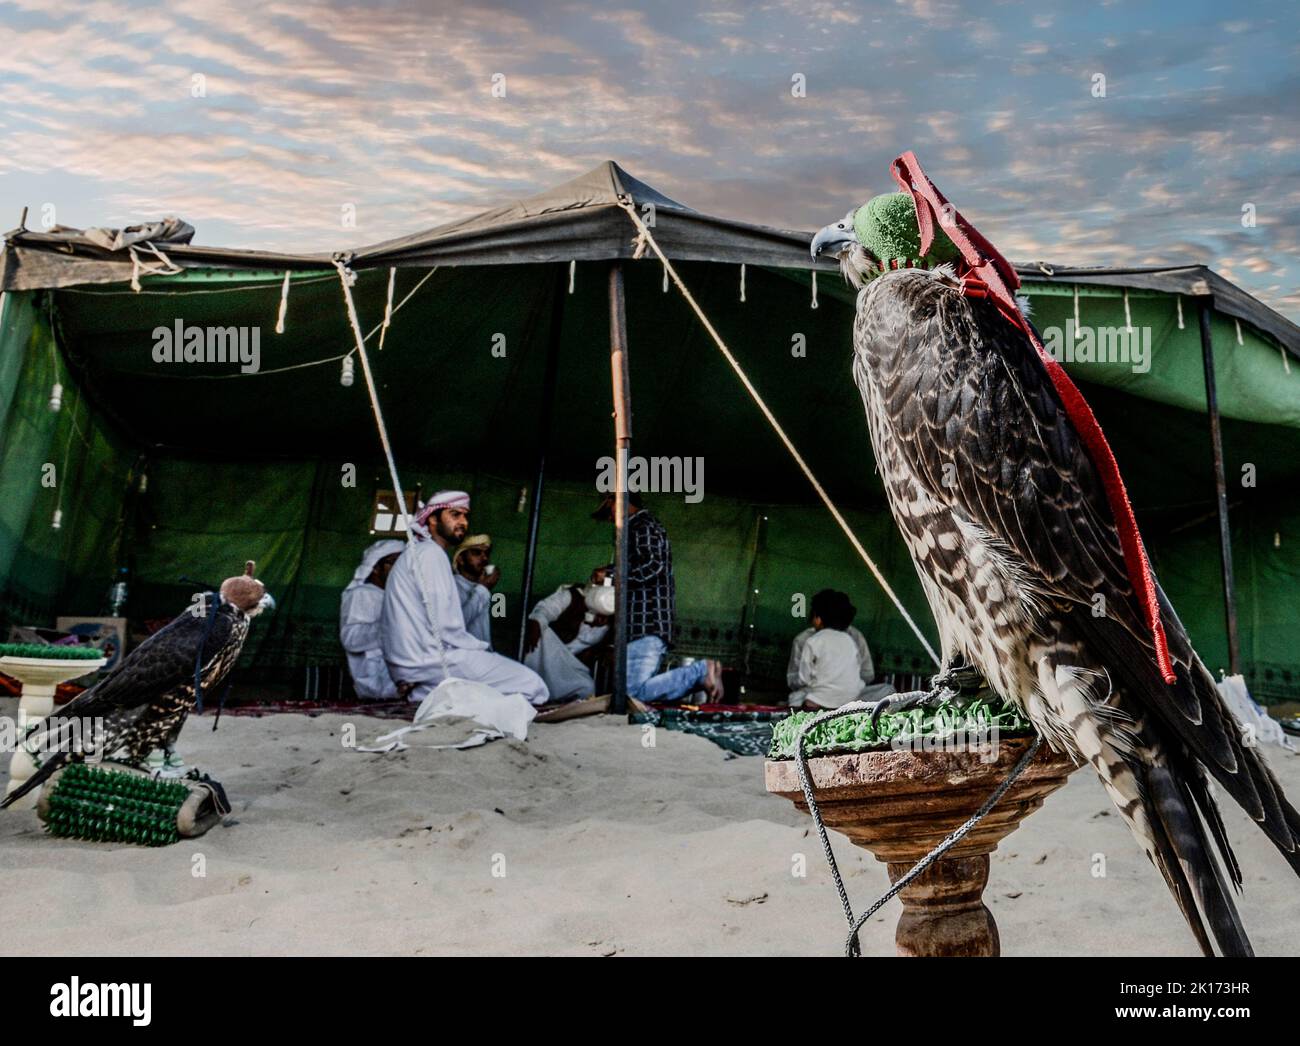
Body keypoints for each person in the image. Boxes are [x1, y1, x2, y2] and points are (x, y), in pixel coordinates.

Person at [382, 490, 549, 706]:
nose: (462, 522)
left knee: (485, 677)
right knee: (533, 686)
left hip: (416, 661)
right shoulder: (431, 555)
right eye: (454, 515)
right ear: (432, 519)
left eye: (465, 516)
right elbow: (445, 627)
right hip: (431, 659)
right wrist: (482, 651)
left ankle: (425, 691)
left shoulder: (422, 552)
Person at [593, 492, 722, 703]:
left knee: (631, 695)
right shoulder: (637, 527)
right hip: (639, 624)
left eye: (608, 512)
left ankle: (699, 671)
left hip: (646, 621)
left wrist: (611, 574)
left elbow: (653, 566)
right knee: (628, 695)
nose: (609, 519)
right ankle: (700, 672)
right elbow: (638, 568)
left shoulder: (642, 526)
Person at [523, 565, 615, 702]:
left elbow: (612, 644)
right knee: (542, 632)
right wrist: (537, 622)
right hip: (550, 652)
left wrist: (608, 650)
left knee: (587, 688)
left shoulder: (614, 616)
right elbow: (545, 610)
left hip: (572, 664)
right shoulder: (573, 595)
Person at [787, 589, 877, 710]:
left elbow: (801, 679)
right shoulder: (851, 639)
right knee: (887, 691)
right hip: (851, 699)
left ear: (818, 618)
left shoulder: (810, 640)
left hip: (817, 699)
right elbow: (867, 675)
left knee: (798, 699)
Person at [339, 539, 406, 700]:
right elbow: (351, 639)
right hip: (376, 681)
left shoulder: (398, 597)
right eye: (394, 562)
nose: (401, 569)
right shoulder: (361, 594)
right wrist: (394, 625)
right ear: (375, 568)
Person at [452, 533, 497, 647]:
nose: (485, 558)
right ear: (461, 559)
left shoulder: (480, 587)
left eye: (486, 553)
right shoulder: (452, 586)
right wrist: (484, 588)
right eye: (477, 553)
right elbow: (456, 626)